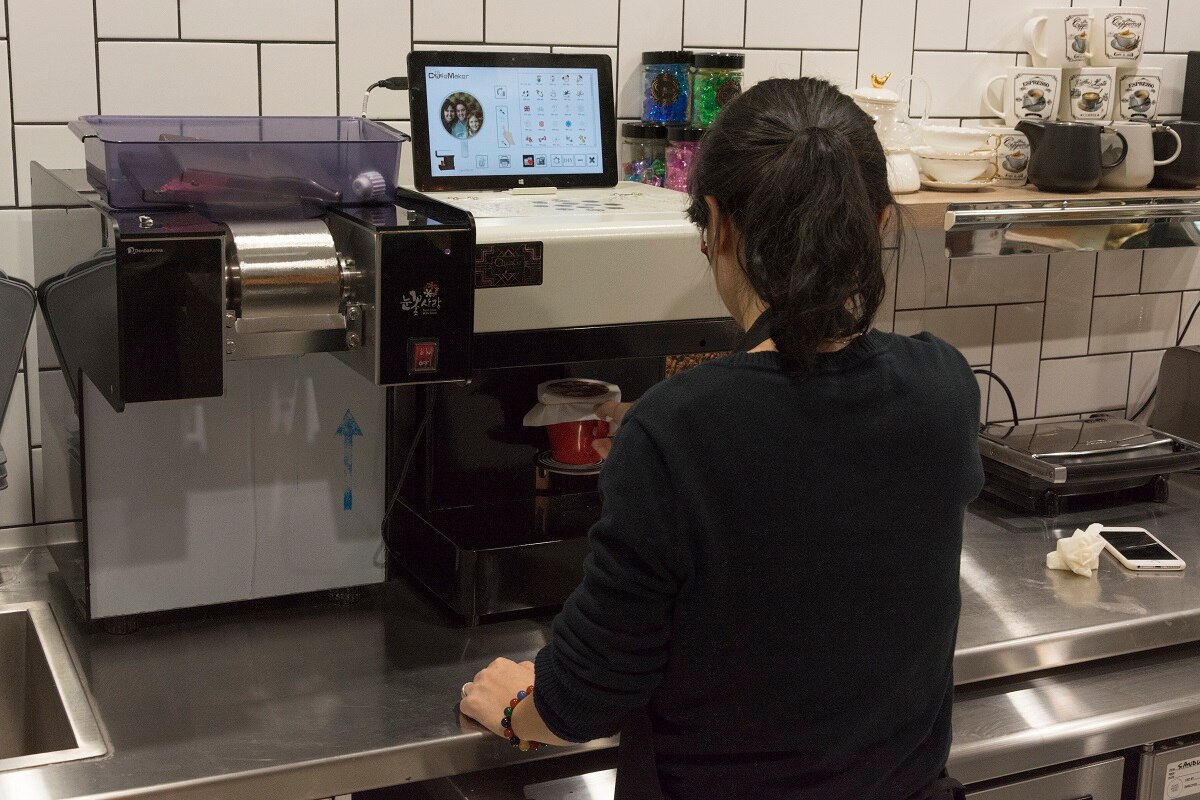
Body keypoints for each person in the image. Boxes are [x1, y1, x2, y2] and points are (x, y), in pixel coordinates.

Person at [460, 77, 984, 800]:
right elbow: (825, 475)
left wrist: (517, 707)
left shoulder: (677, 433)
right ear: (881, 223)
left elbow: (583, 702)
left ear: (718, 223)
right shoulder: (946, 386)